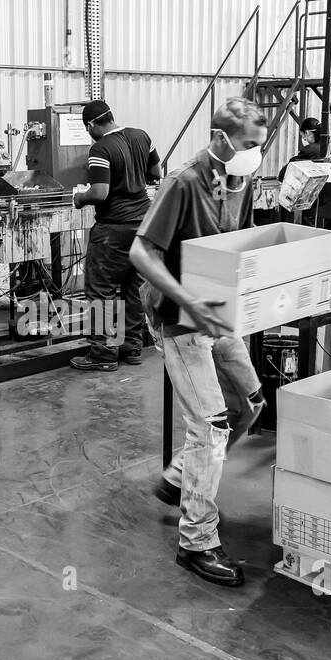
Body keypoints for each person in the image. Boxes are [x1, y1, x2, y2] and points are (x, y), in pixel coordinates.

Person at [130, 97, 268, 588]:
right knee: (209, 428)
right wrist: (189, 302)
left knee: (250, 404)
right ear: (221, 138)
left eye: (259, 146)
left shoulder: (240, 180)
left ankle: (176, 479)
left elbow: (243, 238)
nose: (256, 154)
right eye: (250, 145)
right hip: (180, 318)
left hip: (221, 312)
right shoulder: (184, 182)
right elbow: (141, 252)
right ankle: (197, 542)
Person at [69, 100, 161, 371]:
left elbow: (100, 193)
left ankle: (103, 353)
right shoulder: (141, 136)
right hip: (143, 225)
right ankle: (132, 348)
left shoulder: (100, 148)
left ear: (91, 125)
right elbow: (156, 173)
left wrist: (79, 198)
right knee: (134, 288)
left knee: (101, 290)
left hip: (113, 230)